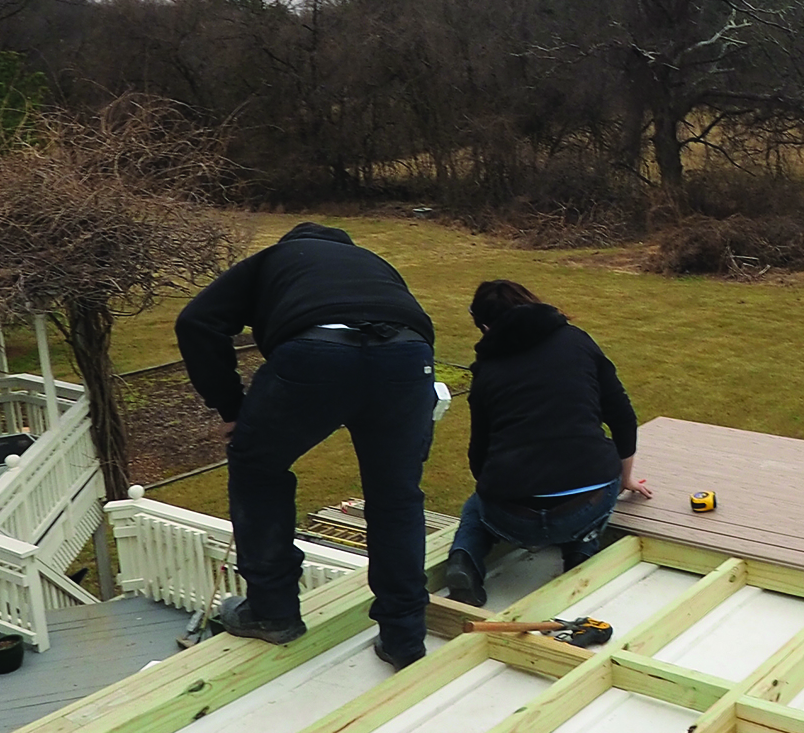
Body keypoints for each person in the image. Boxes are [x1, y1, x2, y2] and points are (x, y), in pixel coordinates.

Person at [176, 223, 438, 668]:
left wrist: (231, 407)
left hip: (317, 355)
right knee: (396, 499)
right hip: (408, 360)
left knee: (258, 468)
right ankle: (404, 636)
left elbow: (196, 321)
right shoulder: (373, 262)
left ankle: (272, 610)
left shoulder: (275, 259)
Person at [444, 280, 651, 608]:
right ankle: (580, 549)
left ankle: (464, 558)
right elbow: (623, 417)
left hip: (511, 515)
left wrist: (504, 487)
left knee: (476, 505)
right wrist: (624, 478)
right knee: (600, 463)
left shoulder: (486, 370)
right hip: (583, 505)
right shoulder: (577, 341)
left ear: (485, 326)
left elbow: (478, 455)